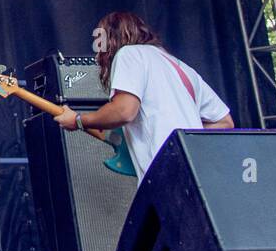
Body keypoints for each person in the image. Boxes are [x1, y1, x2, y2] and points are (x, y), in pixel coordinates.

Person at [58, 11, 233, 179]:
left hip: (165, 173)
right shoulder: (183, 68)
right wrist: (182, 143)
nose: (98, 55)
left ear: (112, 39)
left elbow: (124, 111)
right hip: (198, 172)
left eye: (101, 43)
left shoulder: (129, 54)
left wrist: (78, 120)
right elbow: (225, 122)